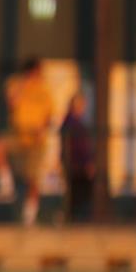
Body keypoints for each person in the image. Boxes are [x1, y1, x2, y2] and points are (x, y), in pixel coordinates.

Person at [0, 57, 54, 225]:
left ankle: (30, 215)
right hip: (18, 134)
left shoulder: (45, 89)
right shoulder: (16, 84)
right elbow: (12, 103)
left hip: (36, 139)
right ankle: (6, 185)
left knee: (33, 178)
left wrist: (42, 127)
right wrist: (24, 85)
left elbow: (50, 114)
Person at [61, 89, 98, 223]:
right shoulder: (74, 124)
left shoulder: (69, 122)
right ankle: (78, 219)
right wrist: (87, 162)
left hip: (73, 163)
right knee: (80, 194)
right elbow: (80, 147)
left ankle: (75, 218)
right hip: (78, 165)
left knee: (75, 194)